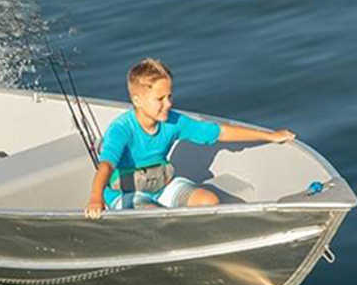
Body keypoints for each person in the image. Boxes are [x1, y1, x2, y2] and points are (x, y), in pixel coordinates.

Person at [84, 58, 295, 218]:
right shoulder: (121, 129)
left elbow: (220, 132)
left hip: (162, 187)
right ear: (137, 100)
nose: (168, 104)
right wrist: (95, 198)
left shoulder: (173, 121)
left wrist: (270, 136)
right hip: (127, 193)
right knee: (153, 216)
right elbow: (106, 166)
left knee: (209, 201)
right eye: (160, 99)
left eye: (169, 96)